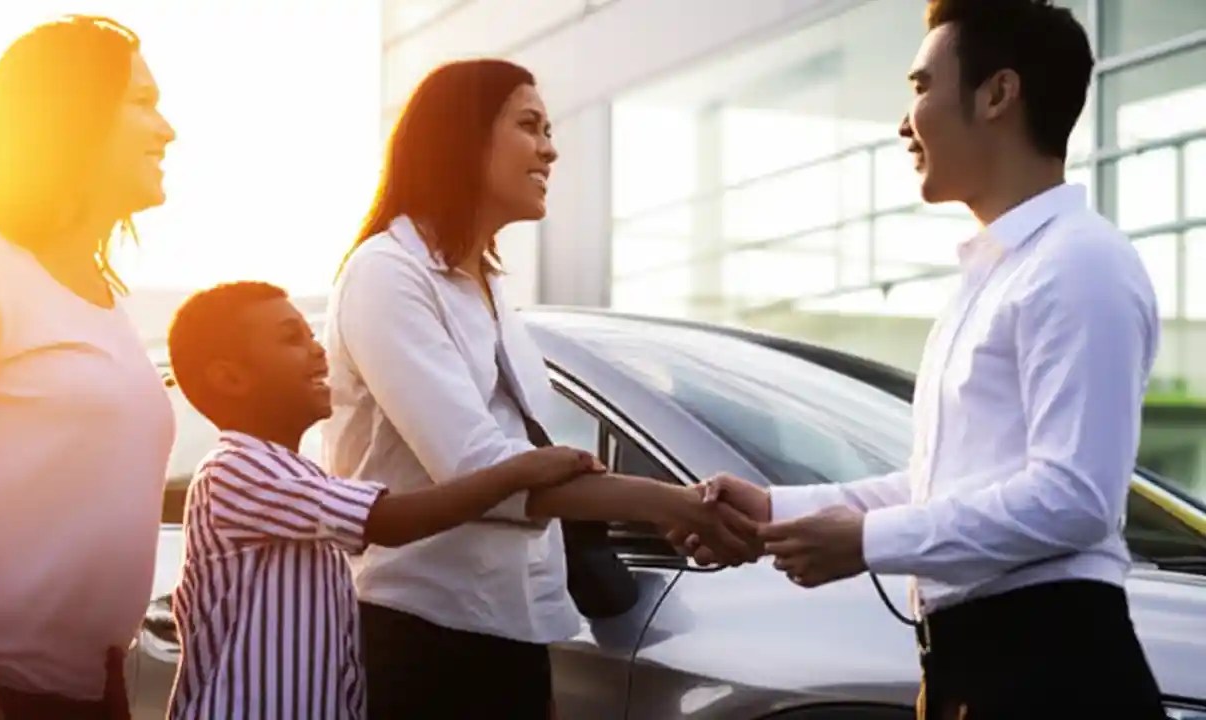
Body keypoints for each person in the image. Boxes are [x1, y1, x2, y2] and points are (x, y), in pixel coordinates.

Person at [675, 1, 1166, 717]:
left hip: (1050, 670)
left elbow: (1075, 499)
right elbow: (943, 486)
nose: (906, 122)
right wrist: (776, 511)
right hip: (976, 666)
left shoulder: (1080, 262)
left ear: (998, 94)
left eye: (920, 86)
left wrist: (868, 540)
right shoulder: (998, 274)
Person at [325, 58, 758, 719]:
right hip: (417, 630)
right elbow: (479, 469)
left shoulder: (492, 286)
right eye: (530, 126)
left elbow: (524, 456)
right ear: (463, 137)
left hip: (513, 624)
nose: (551, 149)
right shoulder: (386, 273)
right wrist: (673, 504)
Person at [162, 281, 607, 720]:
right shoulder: (236, 471)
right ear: (230, 377)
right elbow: (390, 521)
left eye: (311, 334)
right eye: (290, 339)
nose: (318, 350)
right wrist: (519, 469)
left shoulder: (299, 477)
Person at [0, 15, 177, 720]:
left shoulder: (103, 294)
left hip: (94, 691)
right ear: (72, 115)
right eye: (143, 102)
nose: (167, 130)